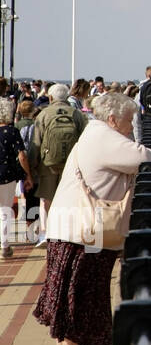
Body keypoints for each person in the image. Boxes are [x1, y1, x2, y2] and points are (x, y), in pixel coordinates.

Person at [34, 92, 151, 345]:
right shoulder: (104, 137)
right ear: (112, 118)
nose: (131, 127)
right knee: (77, 301)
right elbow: (144, 157)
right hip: (83, 233)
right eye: (128, 121)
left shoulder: (95, 134)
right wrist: (147, 145)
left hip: (74, 230)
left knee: (70, 302)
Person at [28, 83, 89, 245]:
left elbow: (36, 142)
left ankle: (45, 233)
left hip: (48, 164)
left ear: (51, 97)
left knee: (45, 199)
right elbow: (85, 140)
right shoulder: (76, 114)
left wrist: (32, 166)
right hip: (71, 163)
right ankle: (69, 232)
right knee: (71, 198)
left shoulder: (44, 114)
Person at [0, 99, 33, 259]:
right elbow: (21, 155)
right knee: (5, 210)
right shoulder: (12, 131)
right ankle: (4, 246)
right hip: (6, 175)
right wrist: (28, 175)